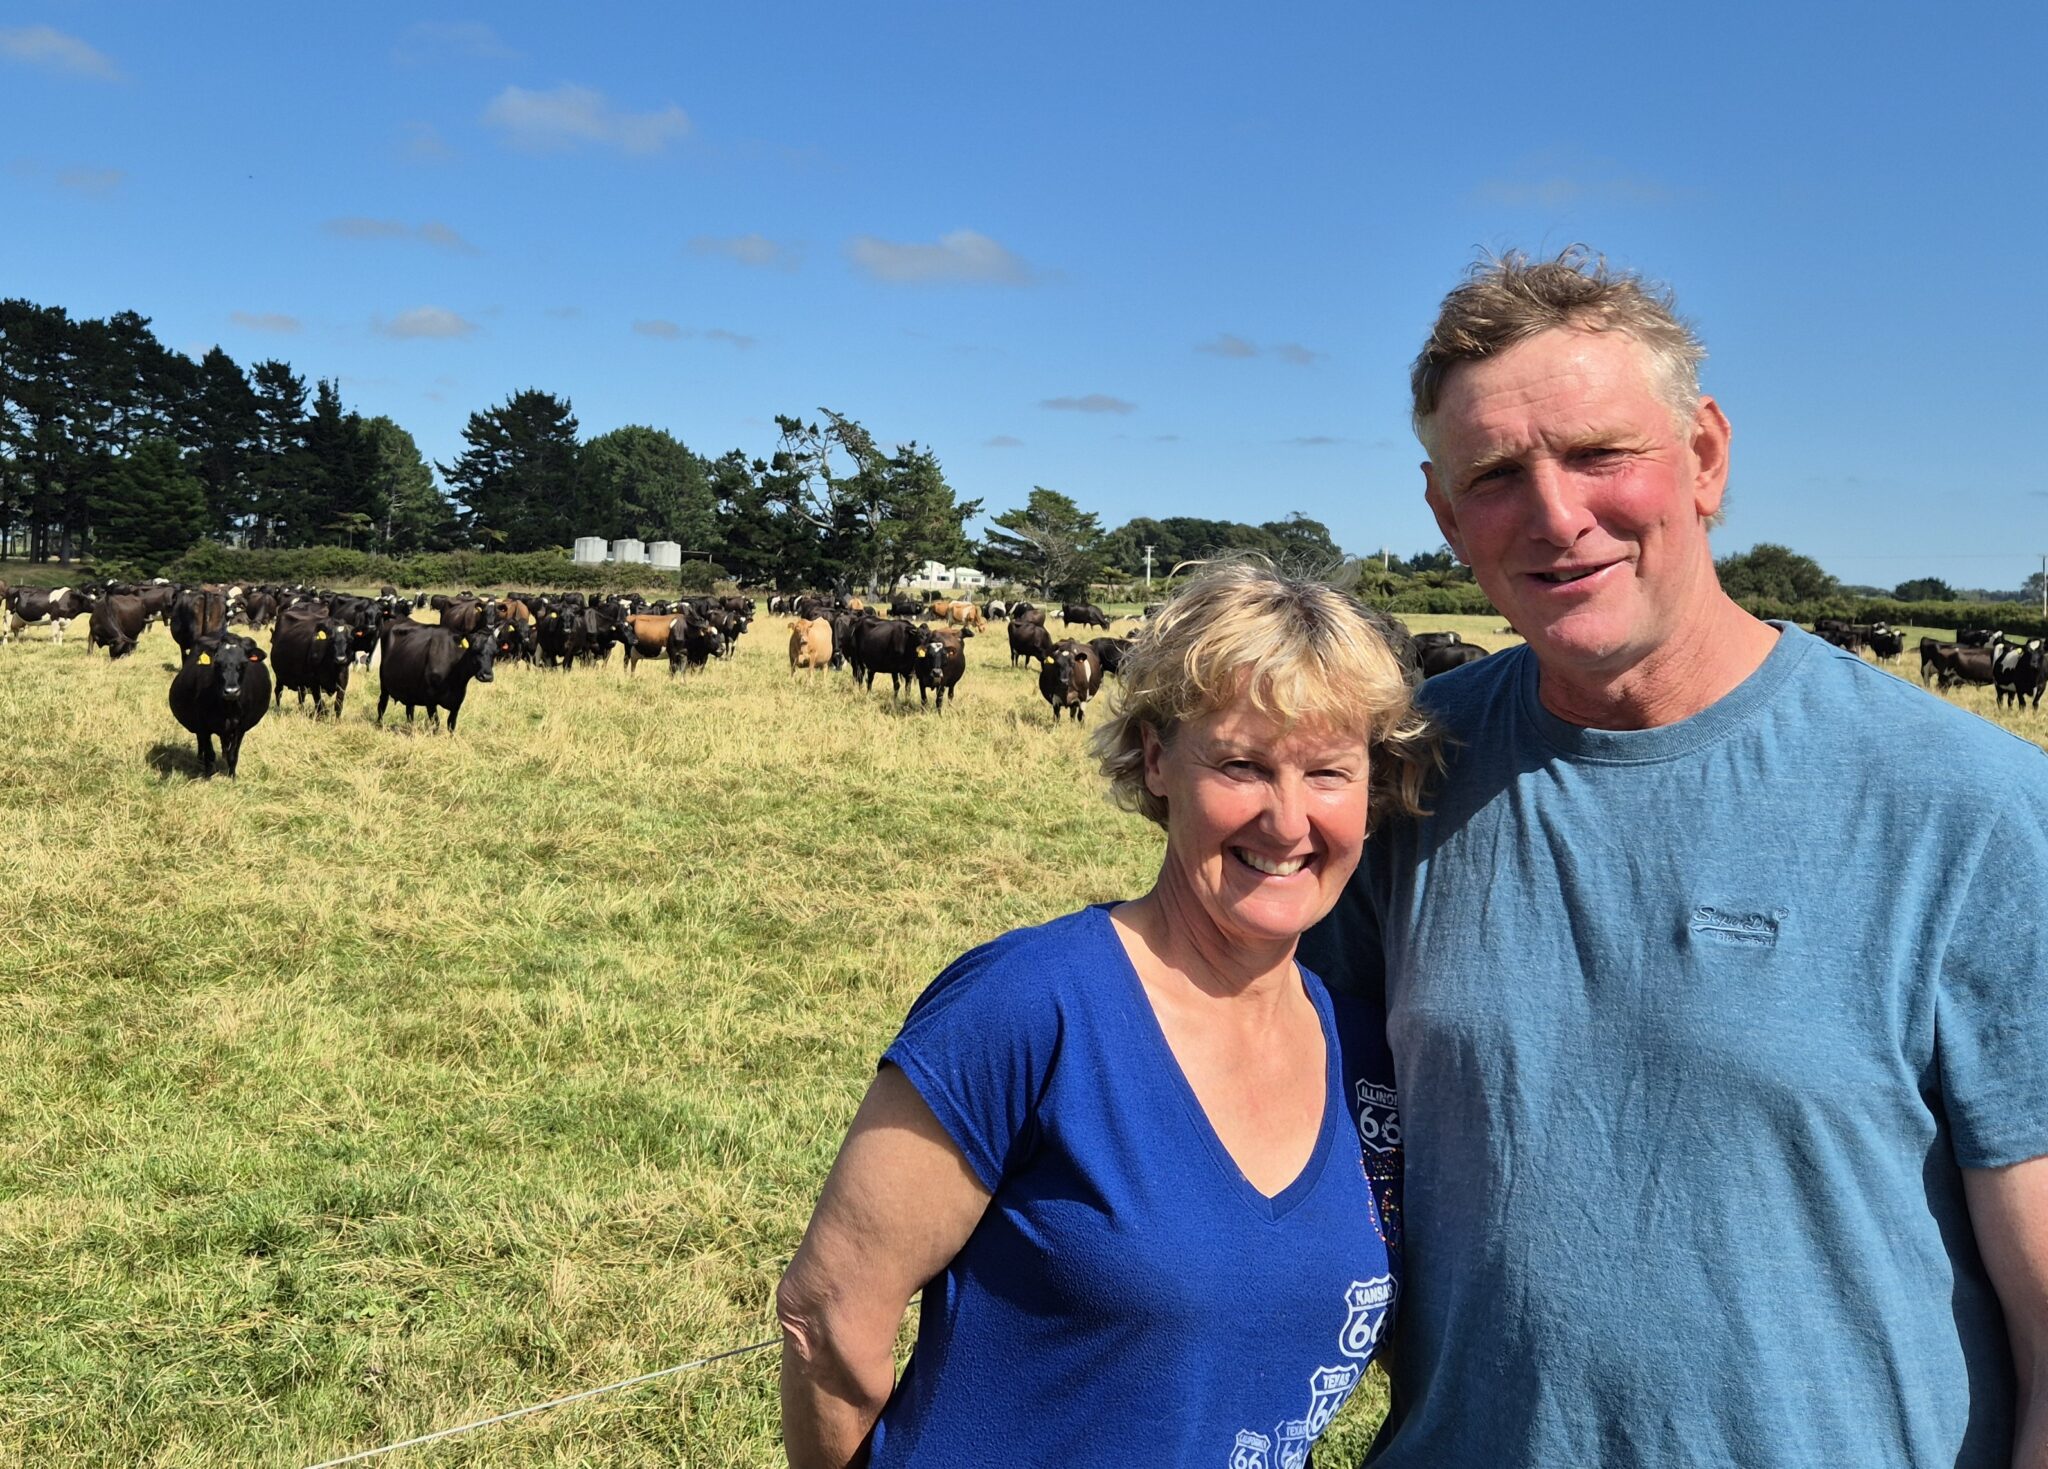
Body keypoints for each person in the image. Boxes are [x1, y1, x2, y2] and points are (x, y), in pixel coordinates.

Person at [1299, 249, 2048, 1469]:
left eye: (1600, 453)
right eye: (1494, 474)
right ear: (1441, 512)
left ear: (1702, 457)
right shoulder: (1399, 783)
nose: (1552, 513)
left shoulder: (1969, 811)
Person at [777, 562, 1436, 1468]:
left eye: (1329, 771)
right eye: (1241, 764)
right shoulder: (1030, 1006)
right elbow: (829, 1315)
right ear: (1158, 758)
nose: (1288, 821)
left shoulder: (1369, 1053)